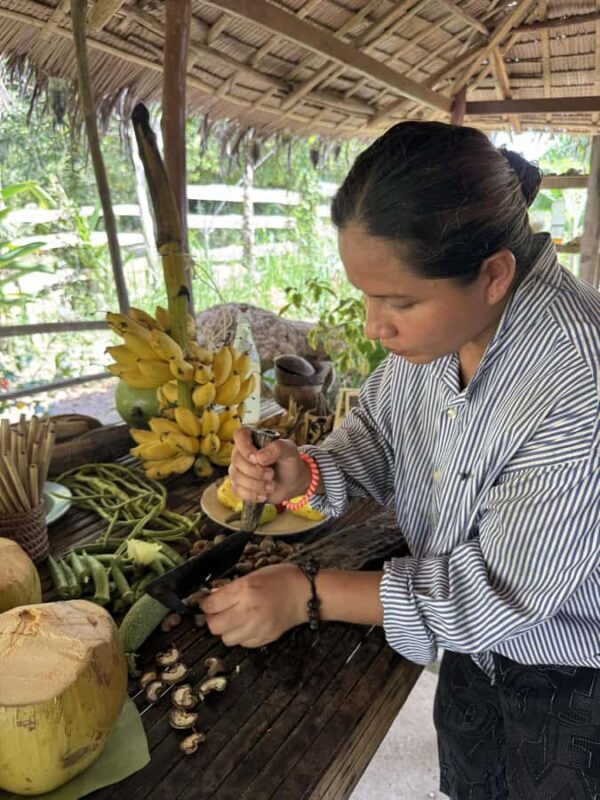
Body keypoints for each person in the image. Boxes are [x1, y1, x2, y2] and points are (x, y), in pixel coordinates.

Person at [200, 122, 600, 799]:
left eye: (399, 301)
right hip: (472, 656)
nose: (373, 325)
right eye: (366, 294)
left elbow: (497, 593)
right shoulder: (434, 337)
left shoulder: (575, 378)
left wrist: (310, 593)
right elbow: (378, 437)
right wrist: (304, 472)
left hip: (571, 680)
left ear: (495, 274)